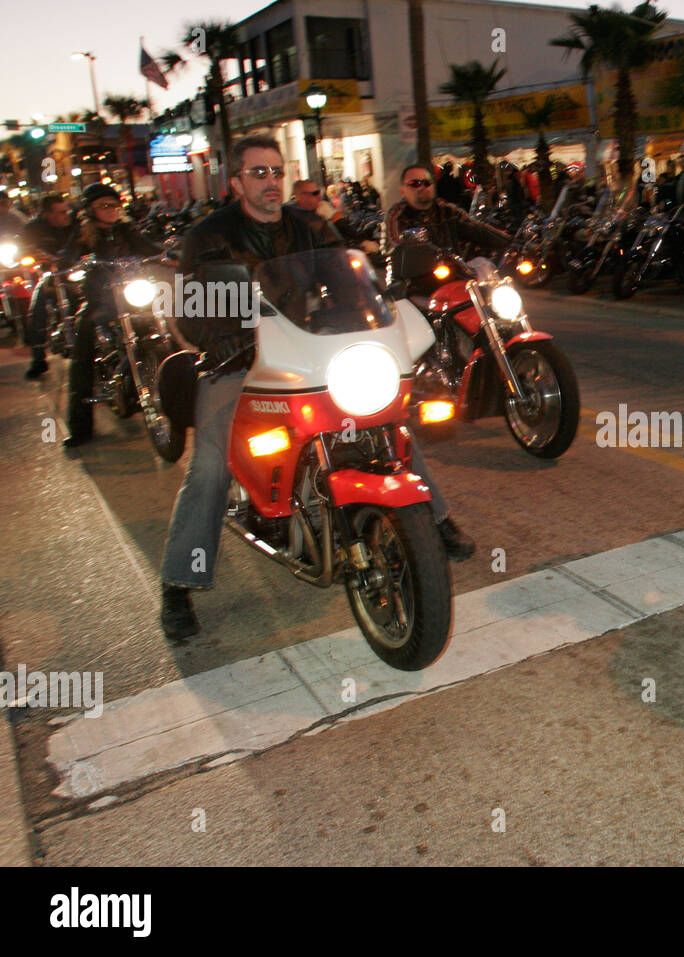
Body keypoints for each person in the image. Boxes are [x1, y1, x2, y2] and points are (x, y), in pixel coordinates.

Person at [158, 135, 476, 643]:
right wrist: (216, 339)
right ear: (236, 181)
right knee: (212, 467)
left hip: (312, 350)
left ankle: (434, 521)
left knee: (386, 427)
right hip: (242, 359)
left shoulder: (309, 224)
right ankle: (178, 583)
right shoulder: (210, 236)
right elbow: (191, 307)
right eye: (258, 173)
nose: (269, 182)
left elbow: (351, 277)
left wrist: (381, 300)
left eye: (275, 172)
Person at [62, 183, 162, 447]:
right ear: (90, 210)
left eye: (114, 205)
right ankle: (80, 427)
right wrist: (73, 263)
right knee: (81, 355)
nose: (111, 210)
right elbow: (67, 259)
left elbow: (150, 248)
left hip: (132, 295)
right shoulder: (83, 234)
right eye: (104, 206)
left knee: (162, 328)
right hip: (100, 300)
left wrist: (170, 254)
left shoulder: (126, 230)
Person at [384, 162, 512, 255]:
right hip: (412, 281)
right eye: (415, 183)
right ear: (403, 191)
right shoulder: (398, 214)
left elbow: (476, 228)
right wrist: (427, 252)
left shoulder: (447, 210)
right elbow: (394, 244)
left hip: (451, 274)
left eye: (427, 183)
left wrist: (511, 242)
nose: (422, 187)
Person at [18, 194, 77, 379]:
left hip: (76, 273)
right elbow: (24, 248)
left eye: (66, 211)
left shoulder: (75, 225)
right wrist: (34, 256)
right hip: (50, 275)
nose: (65, 215)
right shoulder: (33, 228)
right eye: (60, 212)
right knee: (37, 308)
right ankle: (38, 359)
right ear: (47, 214)